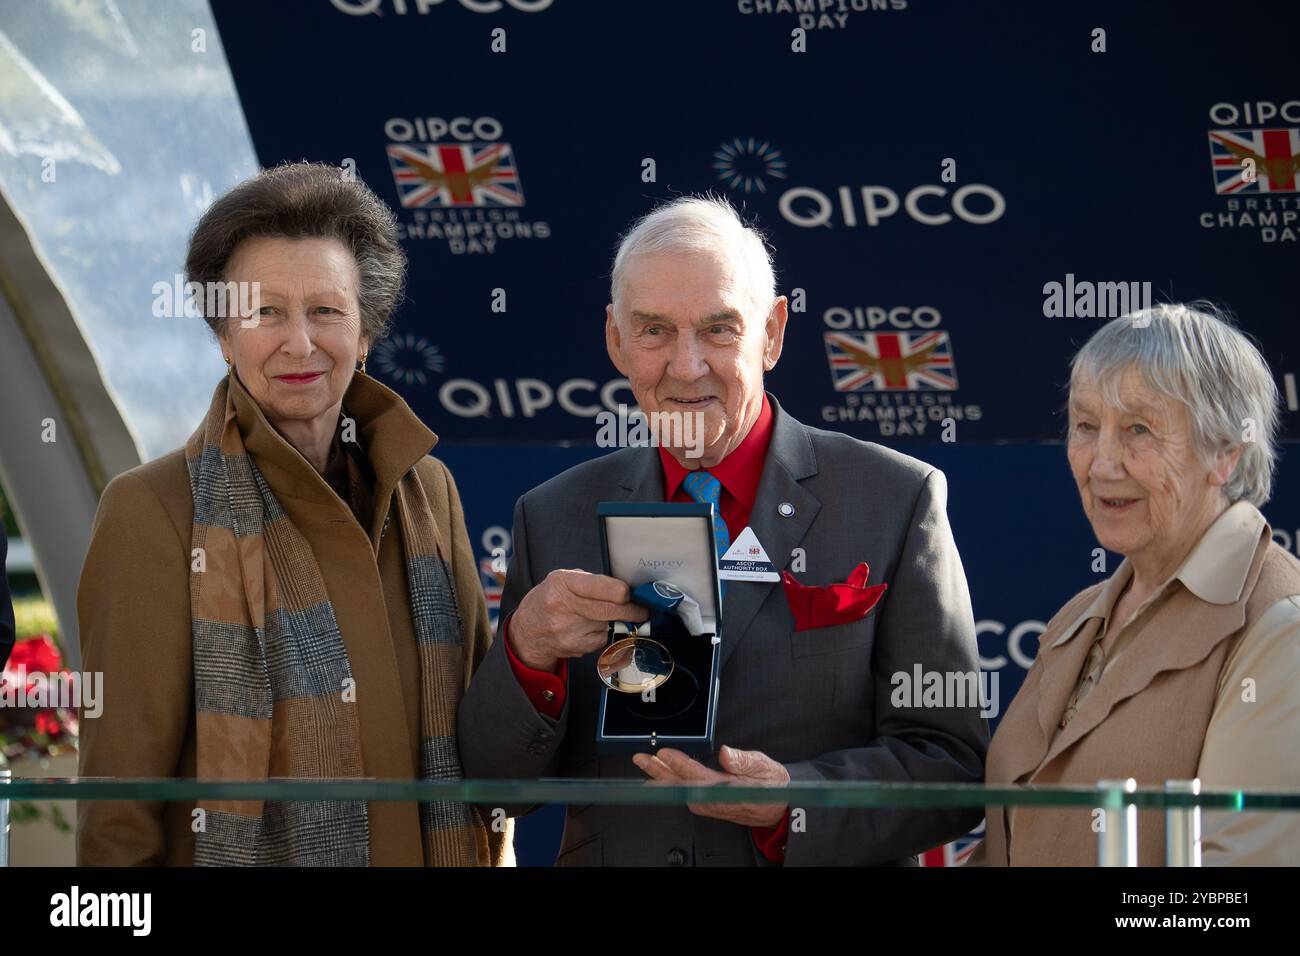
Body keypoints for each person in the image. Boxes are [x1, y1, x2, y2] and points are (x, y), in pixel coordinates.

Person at [458, 195, 988, 866]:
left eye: (718, 330)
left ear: (771, 333)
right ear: (615, 339)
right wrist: (527, 654)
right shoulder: (552, 514)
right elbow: (493, 791)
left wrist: (797, 798)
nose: (686, 367)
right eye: (653, 331)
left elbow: (953, 766)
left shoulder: (895, 499)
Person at [77, 162, 507, 866]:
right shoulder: (151, 510)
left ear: (365, 332)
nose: (299, 343)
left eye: (326, 311)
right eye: (265, 312)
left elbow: (484, 745)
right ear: (223, 336)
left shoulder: (430, 493)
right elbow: (118, 813)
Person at [984, 303, 1300, 866]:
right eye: (1085, 426)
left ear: (1226, 451)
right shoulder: (1079, 615)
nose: (1102, 464)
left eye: (1138, 429)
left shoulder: (1283, 627)